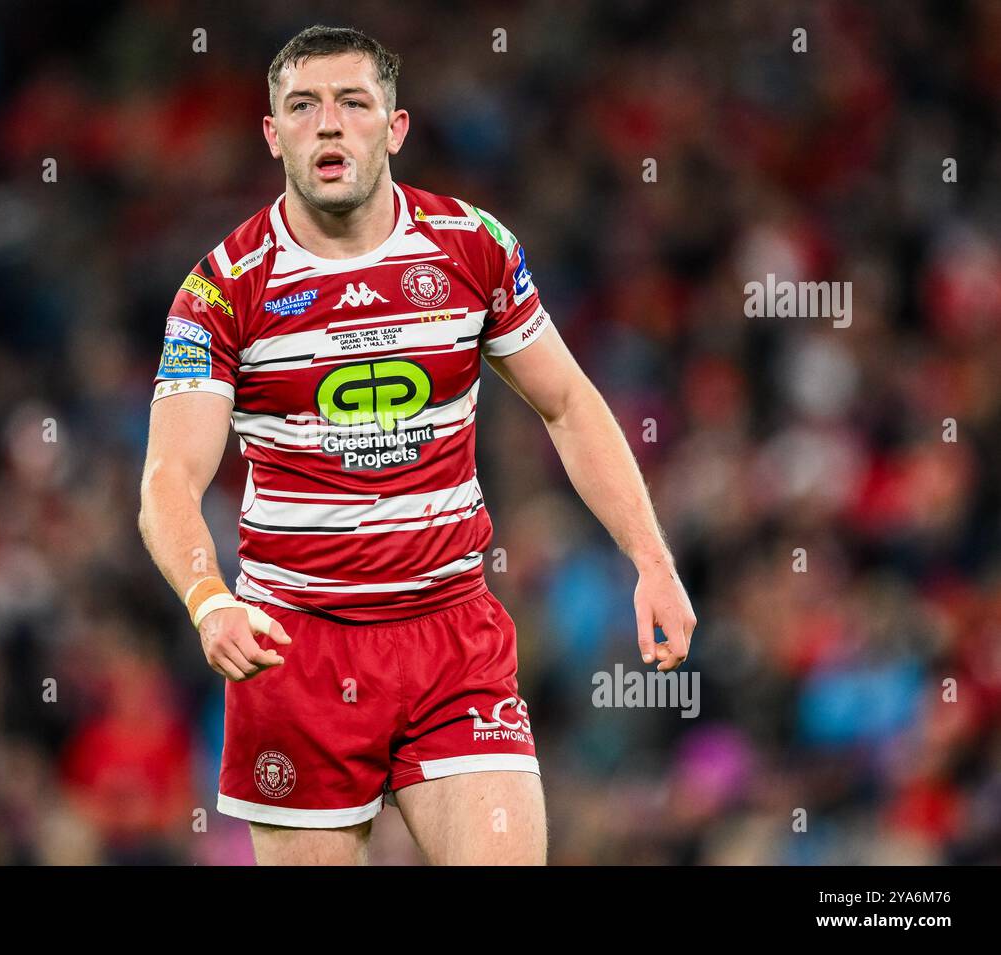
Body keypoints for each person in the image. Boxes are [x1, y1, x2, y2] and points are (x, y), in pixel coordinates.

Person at [138, 24, 698, 865]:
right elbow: (168, 479)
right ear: (272, 132)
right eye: (303, 106)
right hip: (294, 650)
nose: (329, 125)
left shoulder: (473, 247)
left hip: (450, 639)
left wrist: (651, 558)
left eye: (353, 103)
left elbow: (570, 406)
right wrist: (208, 597)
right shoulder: (221, 289)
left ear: (394, 127)